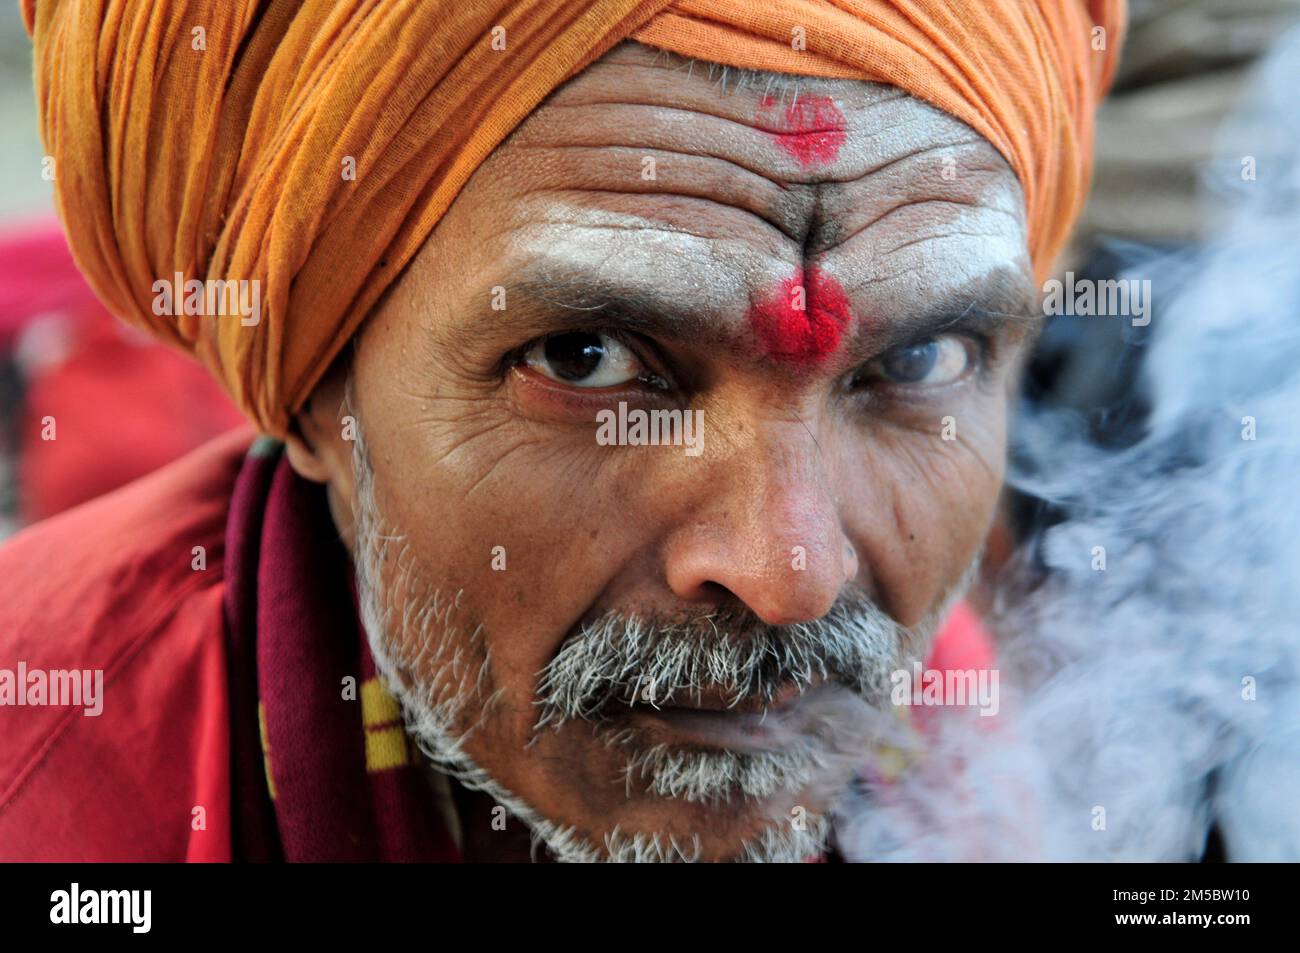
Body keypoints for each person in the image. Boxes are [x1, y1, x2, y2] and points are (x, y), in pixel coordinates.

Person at [0, 0, 1123, 862]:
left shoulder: (962, 742)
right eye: (587, 358)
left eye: (916, 361)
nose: (795, 578)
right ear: (312, 392)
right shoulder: (44, 783)